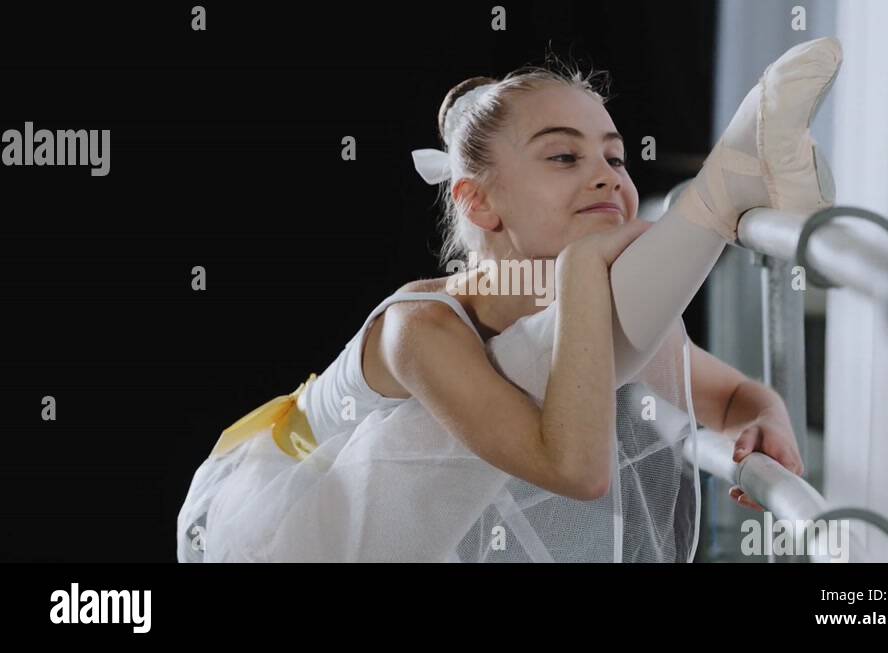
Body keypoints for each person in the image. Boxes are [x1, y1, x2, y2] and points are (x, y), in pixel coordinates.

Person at [178, 37, 841, 562]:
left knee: (575, 343)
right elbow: (577, 471)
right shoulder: (419, 328)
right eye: (563, 158)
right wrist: (584, 270)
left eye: (615, 159)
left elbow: (732, 398)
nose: (607, 178)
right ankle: (724, 187)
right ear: (479, 201)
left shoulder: (572, 313)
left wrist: (770, 426)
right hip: (283, 526)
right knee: (552, 349)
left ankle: (728, 186)